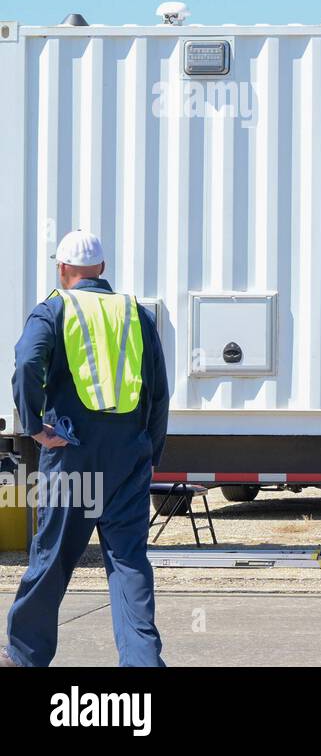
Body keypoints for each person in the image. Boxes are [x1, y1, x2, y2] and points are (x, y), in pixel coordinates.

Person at [2, 230, 170, 667]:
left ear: (62, 268)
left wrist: (34, 425)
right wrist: (149, 455)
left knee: (52, 558)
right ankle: (142, 663)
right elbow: (159, 393)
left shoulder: (54, 309)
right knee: (129, 564)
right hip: (128, 460)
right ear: (103, 269)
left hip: (72, 457)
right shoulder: (135, 314)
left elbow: (25, 364)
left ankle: (25, 656)